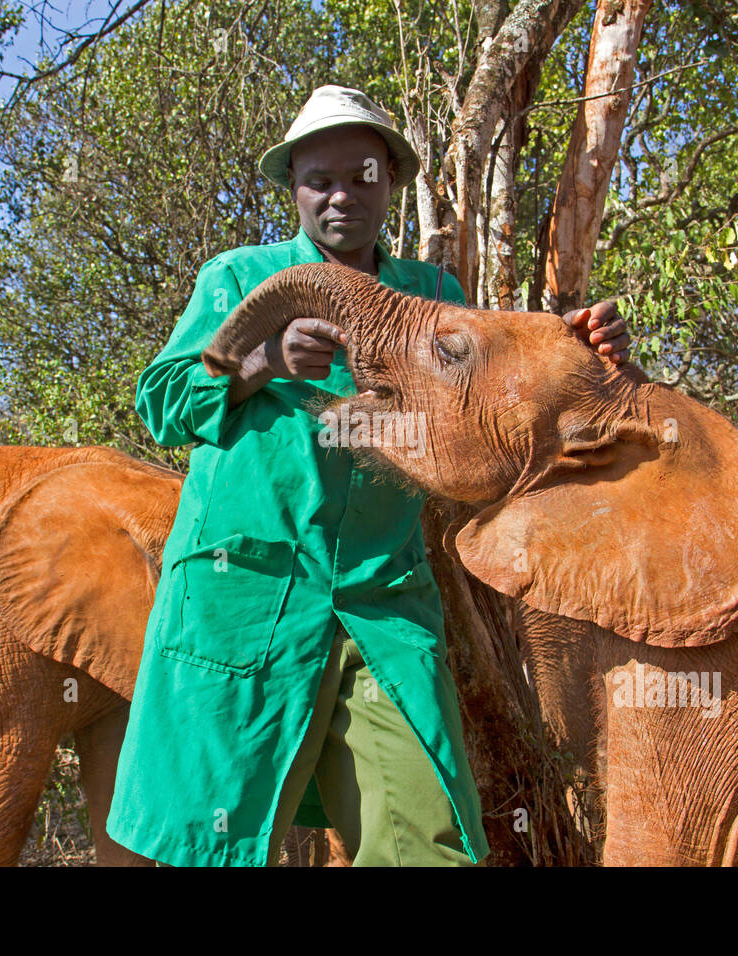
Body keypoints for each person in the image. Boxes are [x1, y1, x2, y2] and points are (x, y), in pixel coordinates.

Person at [106, 85, 629, 867]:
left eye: (362, 175)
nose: (342, 195)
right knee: (205, 844)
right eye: (320, 179)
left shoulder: (432, 295)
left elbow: (490, 406)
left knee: (426, 839)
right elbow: (166, 402)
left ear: (392, 182)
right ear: (294, 188)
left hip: (383, 604)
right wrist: (261, 361)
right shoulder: (237, 276)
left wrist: (579, 350)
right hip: (245, 599)